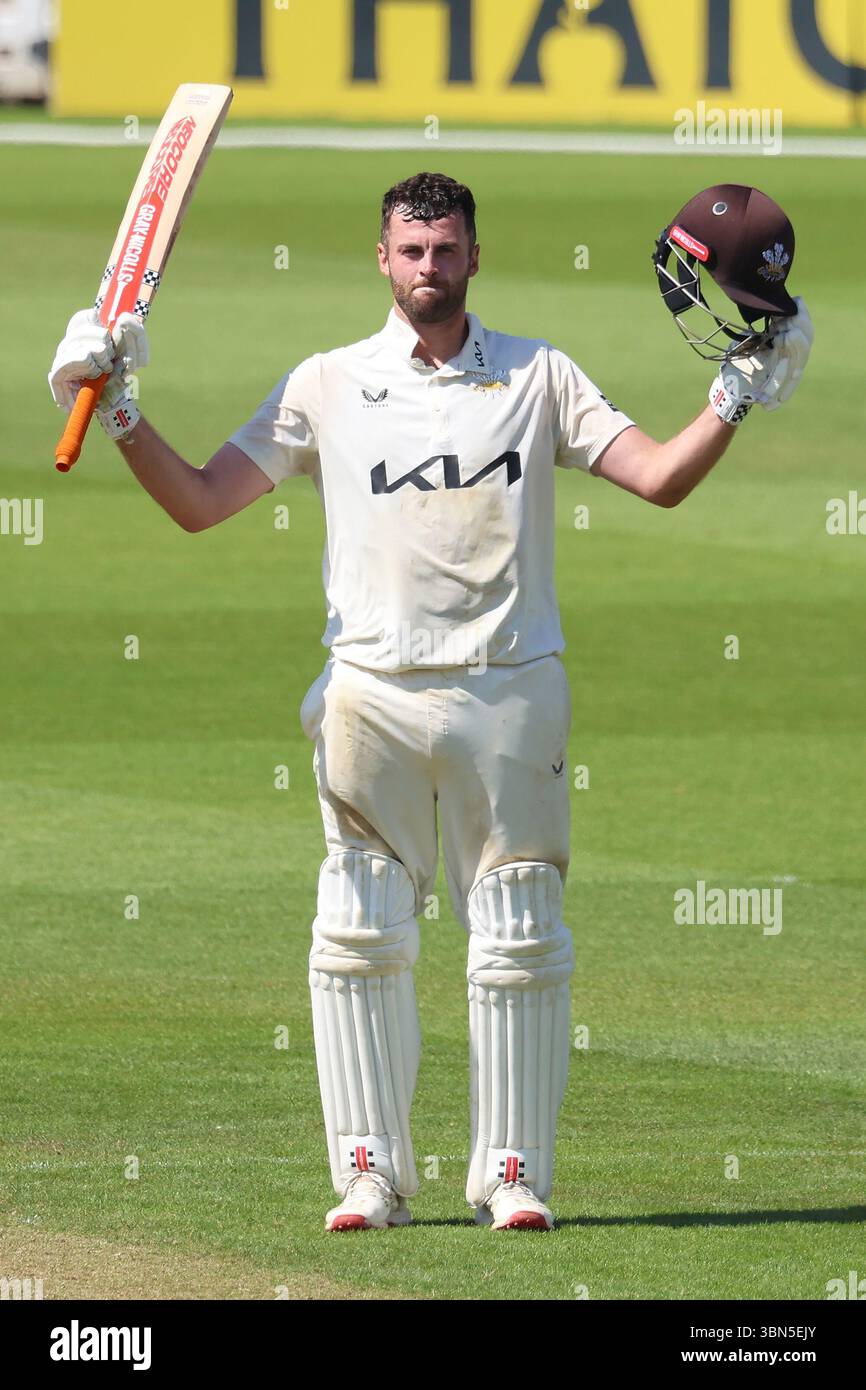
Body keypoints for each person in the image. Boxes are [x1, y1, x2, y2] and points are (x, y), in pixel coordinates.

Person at [48, 171, 812, 1233]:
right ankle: (367, 1173)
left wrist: (732, 394)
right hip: (371, 689)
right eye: (410, 251)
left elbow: (657, 476)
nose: (428, 268)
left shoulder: (539, 374)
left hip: (512, 690)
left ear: (472, 255)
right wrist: (120, 410)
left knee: (518, 932)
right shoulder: (324, 383)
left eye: (445, 249)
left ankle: (511, 1175)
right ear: (382, 260)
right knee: (356, 929)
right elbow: (200, 502)